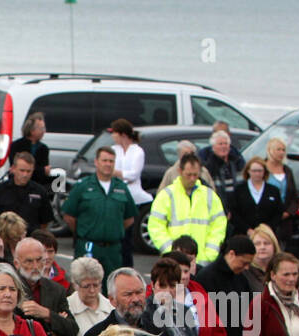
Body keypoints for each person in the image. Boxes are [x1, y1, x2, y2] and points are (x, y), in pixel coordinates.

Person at [61, 145, 136, 280]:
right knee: (84, 284)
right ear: (96, 162)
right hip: (88, 246)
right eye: (104, 160)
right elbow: (69, 215)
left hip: (112, 250)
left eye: (111, 161)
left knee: (112, 287)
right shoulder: (83, 186)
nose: (108, 164)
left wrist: (112, 229)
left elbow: (129, 218)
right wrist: (86, 230)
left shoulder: (121, 188)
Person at [147, 152, 226, 265]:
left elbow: (219, 225)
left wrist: (210, 253)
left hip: (203, 262)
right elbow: (156, 226)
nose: (193, 178)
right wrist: (171, 251)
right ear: (180, 171)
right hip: (174, 262)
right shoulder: (167, 195)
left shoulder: (209, 195)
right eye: (189, 175)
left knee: (197, 284)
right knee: (179, 284)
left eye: (196, 174)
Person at [194, 234, 256, 336]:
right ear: (231, 254)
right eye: (244, 262)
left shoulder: (241, 278)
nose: (246, 268)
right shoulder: (206, 277)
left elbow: (250, 310)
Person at [108, 119, 150, 268]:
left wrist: (117, 173)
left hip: (133, 197)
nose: (112, 136)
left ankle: (127, 266)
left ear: (123, 134)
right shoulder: (114, 149)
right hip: (116, 196)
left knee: (127, 236)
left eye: (114, 133)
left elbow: (133, 174)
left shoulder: (137, 151)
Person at [0, 152, 54, 235]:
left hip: (29, 241)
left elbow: (45, 222)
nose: (25, 175)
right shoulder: (0, 189)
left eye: (29, 171)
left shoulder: (40, 191)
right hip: (5, 241)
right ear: (13, 169)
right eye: (22, 170)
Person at [230, 157, 285, 238]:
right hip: (243, 235)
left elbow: (278, 213)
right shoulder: (239, 190)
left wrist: (267, 229)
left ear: (264, 172)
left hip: (268, 235)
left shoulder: (273, 190)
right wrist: (248, 230)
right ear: (248, 171)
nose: (257, 173)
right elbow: (234, 213)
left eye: (260, 171)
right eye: (254, 171)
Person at [263, 138, 299, 246]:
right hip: (266, 219)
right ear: (270, 150)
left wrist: (288, 212)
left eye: (283, 150)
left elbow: (294, 197)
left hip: (284, 221)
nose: (281, 153)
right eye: (278, 149)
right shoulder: (262, 168)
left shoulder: (287, 171)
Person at [199, 127, 246, 210]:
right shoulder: (208, 166)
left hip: (237, 209)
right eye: (220, 144)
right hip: (217, 207)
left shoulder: (237, 162)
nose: (223, 146)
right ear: (213, 147)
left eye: (226, 144)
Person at [7, 113, 50, 187]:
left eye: (44, 128)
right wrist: (41, 170)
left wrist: (42, 171)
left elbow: (45, 174)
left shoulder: (44, 149)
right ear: (32, 131)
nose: (44, 131)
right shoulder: (16, 145)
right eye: (41, 128)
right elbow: (15, 168)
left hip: (36, 186)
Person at [245, 223, 281, 295]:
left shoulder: (283, 269)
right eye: (257, 244)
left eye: (267, 243)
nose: (262, 247)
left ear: (274, 246)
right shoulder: (244, 272)